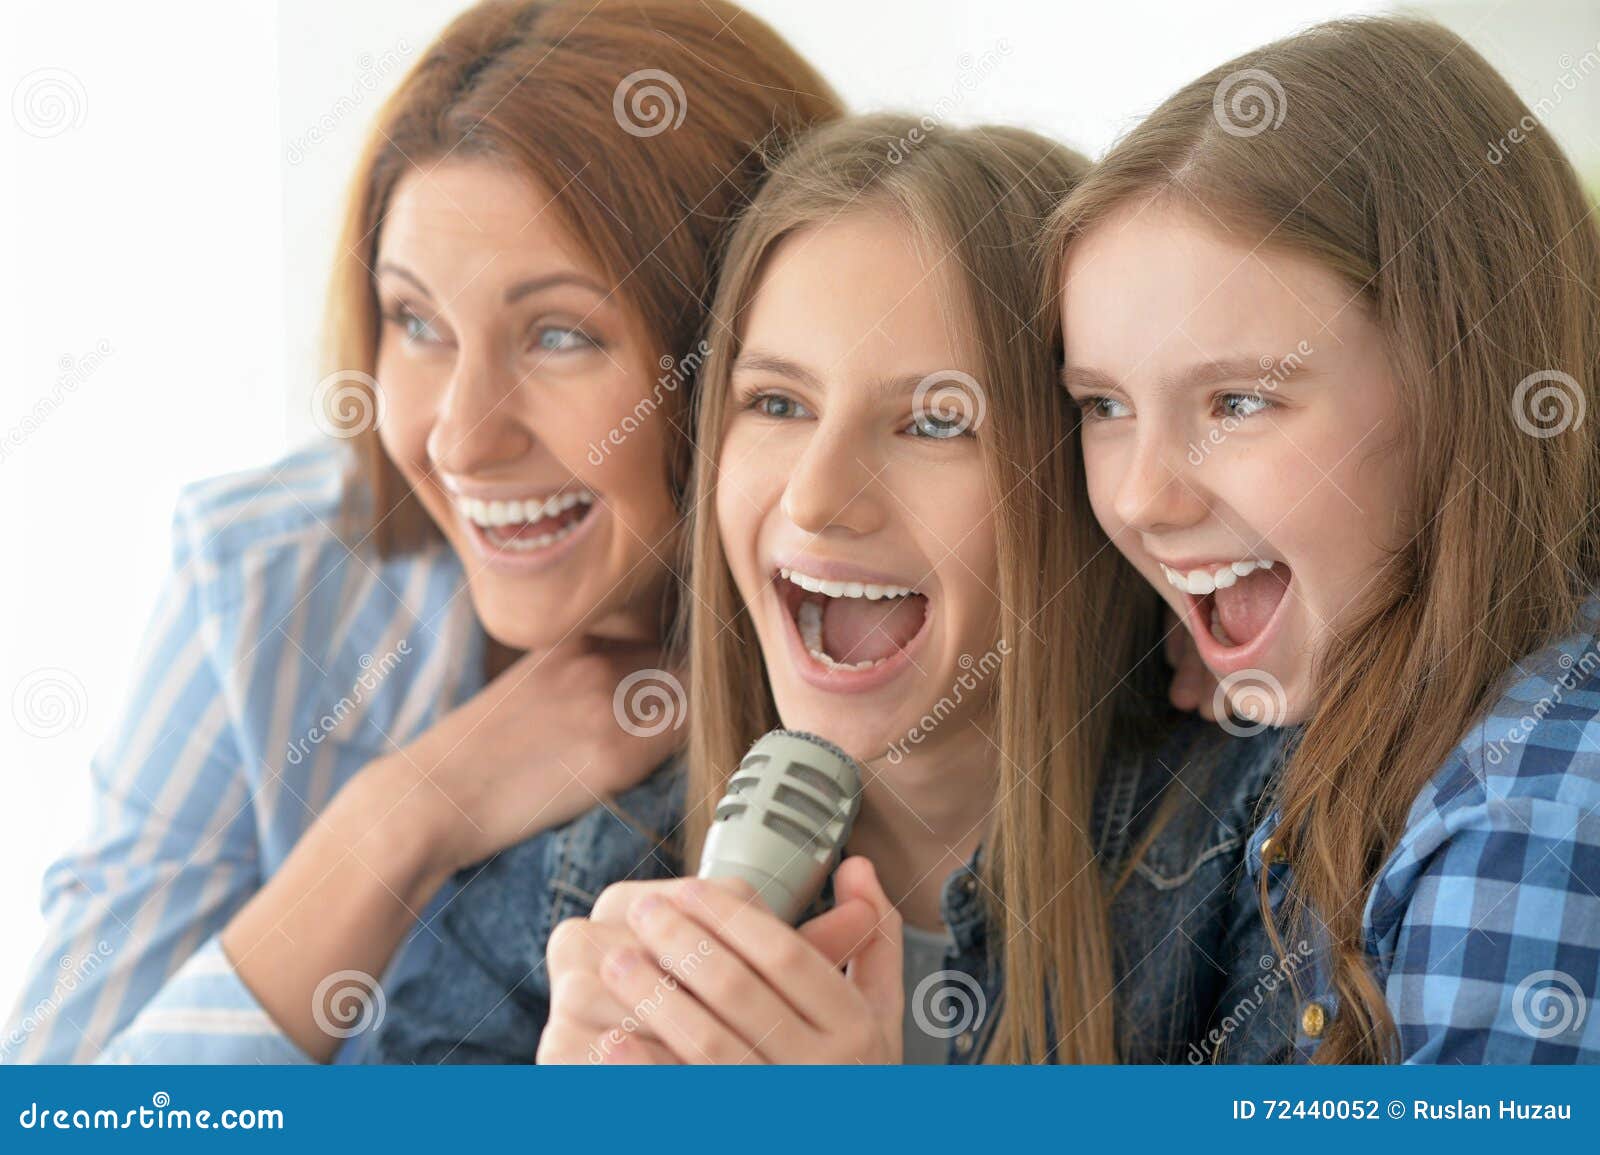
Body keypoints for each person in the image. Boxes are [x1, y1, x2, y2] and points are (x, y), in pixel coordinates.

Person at [2, 0, 843, 1064]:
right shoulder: (269, 572)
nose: (460, 436)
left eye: (557, 334)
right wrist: (397, 818)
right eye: (415, 322)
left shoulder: (874, 656)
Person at [1054, 16, 1600, 1061]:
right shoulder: (1387, 717)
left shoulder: (1525, 824)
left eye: (1240, 402)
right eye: (1102, 405)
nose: (1139, 499)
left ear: (1463, 391)